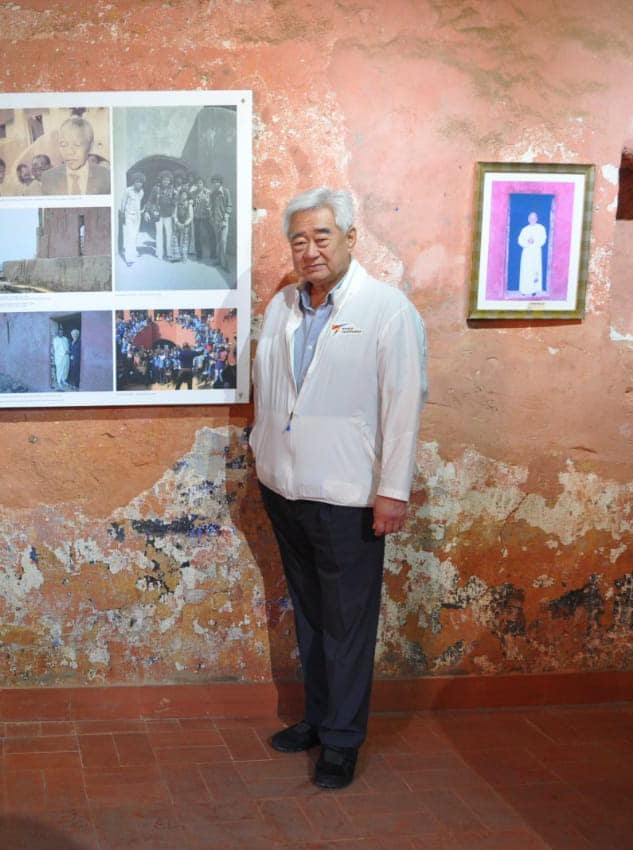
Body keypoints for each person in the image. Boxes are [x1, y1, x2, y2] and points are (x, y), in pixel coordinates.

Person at [251, 187, 427, 791]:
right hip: (286, 488)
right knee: (310, 616)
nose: (309, 250)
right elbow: (268, 391)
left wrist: (393, 491)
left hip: (349, 495)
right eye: (298, 240)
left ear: (351, 238)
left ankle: (343, 741)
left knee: (348, 622)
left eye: (321, 236)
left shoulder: (387, 310)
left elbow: (402, 407)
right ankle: (320, 718)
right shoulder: (283, 310)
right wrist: (259, 453)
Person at [39, 116, 111, 196]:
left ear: (90, 147)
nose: (69, 152)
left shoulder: (106, 177)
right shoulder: (48, 178)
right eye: (63, 145)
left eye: (77, 145)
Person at [517, 211, 547, 295]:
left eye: (534, 218)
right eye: (530, 218)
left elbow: (543, 239)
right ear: (528, 219)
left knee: (534, 270)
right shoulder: (524, 229)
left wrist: (535, 241)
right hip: (526, 252)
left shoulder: (541, 228)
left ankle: (534, 290)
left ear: (537, 219)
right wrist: (527, 242)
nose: (532, 219)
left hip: (536, 252)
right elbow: (520, 240)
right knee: (526, 270)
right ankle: (524, 290)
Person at [148, 172, 176, 261]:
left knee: (169, 234)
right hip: (158, 215)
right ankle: (159, 253)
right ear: (161, 180)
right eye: (164, 179)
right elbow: (150, 200)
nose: (166, 181)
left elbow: (175, 202)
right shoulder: (156, 188)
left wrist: (173, 212)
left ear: (170, 181)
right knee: (159, 234)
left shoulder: (172, 190)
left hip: (168, 215)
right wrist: (150, 210)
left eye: (168, 180)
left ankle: (169, 253)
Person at [120, 171, 146, 266]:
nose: (139, 183)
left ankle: (133, 252)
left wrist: (141, 211)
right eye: (137, 181)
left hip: (137, 216)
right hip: (129, 215)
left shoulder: (142, 192)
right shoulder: (128, 191)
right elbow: (123, 203)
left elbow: (139, 204)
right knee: (129, 235)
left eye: (140, 182)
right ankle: (128, 258)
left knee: (135, 235)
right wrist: (122, 214)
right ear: (134, 182)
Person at [210, 175, 232, 272]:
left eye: (217, 182)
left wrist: (225, 218)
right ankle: (219, 261)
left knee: (223, 242)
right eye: (214, 182)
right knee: (218, 242)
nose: (215, 183)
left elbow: (229, 205)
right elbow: (211, 207)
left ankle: (224, 264)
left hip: (224, 221)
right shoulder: (212, 194)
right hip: (216, 221)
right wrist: (212, 219)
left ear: (220, 182)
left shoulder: (226, 191)